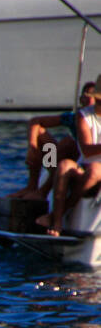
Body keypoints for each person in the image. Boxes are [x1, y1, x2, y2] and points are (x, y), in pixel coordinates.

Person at [9, 82, 94, 200]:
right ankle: (32, 186)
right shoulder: (73, 118)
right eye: (88, 95)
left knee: (68, 143)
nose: (92, 100)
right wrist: (32, 147)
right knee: (41, 135)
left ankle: (44, 191)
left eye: (95, 96)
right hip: (53, 162)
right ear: (81, 99)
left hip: (82, 163)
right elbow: (35, 121)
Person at [39, 94, 101, 236]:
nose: (88, 101)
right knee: (63, 147)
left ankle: (52, 207)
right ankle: (40, 188)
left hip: (89, 165)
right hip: (76, 160)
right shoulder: (73, 117)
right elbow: (37, 123)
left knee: (68, 146)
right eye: (84, 98)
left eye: (91, 98)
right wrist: (33, 147)